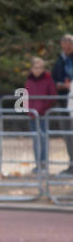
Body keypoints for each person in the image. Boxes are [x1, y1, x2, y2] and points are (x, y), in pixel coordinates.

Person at [24, 56, 58, 171]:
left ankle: (44, 163)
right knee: (35, 140)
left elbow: (52, 96)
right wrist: (29, 110)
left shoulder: (48, 79)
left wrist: (41, 109)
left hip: (43, 114)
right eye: (35, 68)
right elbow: (25, 96)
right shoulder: (29, 80)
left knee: (43, 139)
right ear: (32, 69)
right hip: (32, 115)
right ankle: (38, 164)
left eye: (40, 68)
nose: (38, 70)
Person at [51, 33, 73, 175]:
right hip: (62, 101)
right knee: (67, 135)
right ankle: (72, 164)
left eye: (69, 45)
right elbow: (53, 78)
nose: (66, 48)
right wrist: (58, 85)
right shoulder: (60, 60)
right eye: (64, 45)